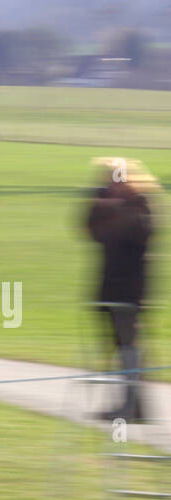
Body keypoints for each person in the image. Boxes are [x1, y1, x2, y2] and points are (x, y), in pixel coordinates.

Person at [85, 157, 158, 422]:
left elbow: (131, 233)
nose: (108, 185)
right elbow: (89, 230)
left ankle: (132, 407)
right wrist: (100, 203)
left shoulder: (141, 206)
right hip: (109, 286)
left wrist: (111, 207)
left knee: (129, 347)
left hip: (130, 289)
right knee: (121, 346)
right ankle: (131, 406)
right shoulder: (113, 205)